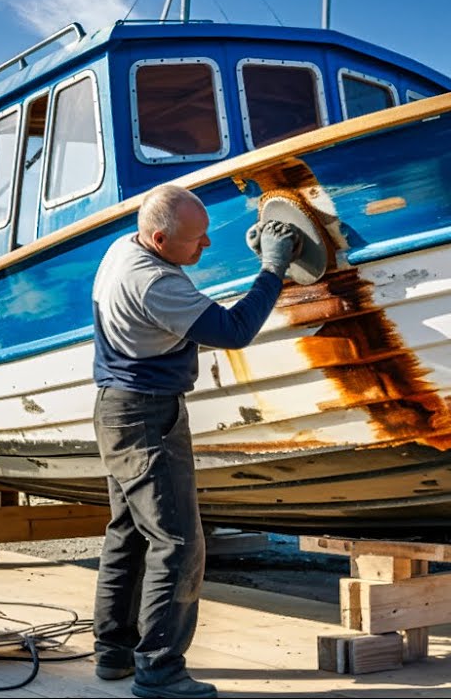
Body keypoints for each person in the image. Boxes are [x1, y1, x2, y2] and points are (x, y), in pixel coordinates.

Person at [89, 183, 300, 699]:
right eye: (196, 241)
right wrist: (272, 268)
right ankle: (159, 671)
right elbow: (233, 330)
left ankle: (113, 652)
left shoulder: (125, 247)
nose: (204, 248)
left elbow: (187, 274)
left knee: (130, 532)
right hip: (147, 418)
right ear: (159, 238)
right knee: (178, 542)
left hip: (116, 410)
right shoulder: (155, 283)